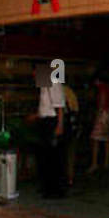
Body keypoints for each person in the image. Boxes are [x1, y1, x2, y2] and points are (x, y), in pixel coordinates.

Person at [35, 68, 72, 198]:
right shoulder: (43, 86)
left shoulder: (53, 82)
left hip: (53, 121)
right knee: (46, 156)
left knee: (54, 157)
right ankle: (48, 187)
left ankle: (56, 189)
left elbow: (59, 106)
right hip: (45, 121)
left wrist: (59, 125)